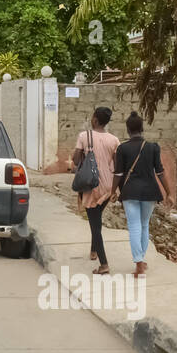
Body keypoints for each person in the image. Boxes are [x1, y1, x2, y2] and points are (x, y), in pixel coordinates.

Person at [110, 111, 172, 276]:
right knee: (144, 225)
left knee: (134, 226)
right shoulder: (153, 147)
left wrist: (113, 191)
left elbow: (118, 174)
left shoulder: (122, 149)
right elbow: (160, 172)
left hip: (130, 192)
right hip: (150, 192)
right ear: (142, 128)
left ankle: (138, 262)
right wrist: (169, 193)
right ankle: (141, 260)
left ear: (128, 130)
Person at [71, 107, 119, 274]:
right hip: (108, 185)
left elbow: (76, 161)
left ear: (96, 120)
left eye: (92, 117)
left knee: (95, 225)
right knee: (96, 218)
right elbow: (116, 164)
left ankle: (104, 264)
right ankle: (93, 250)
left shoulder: (84, 136)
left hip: (92, 184)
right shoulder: (114, 140)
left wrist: (82, 152)